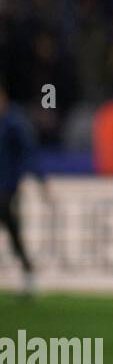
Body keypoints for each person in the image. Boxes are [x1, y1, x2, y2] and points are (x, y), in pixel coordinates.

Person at [0, 85, 53, 298]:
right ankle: (28, 273)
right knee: (13, 231)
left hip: (7, 188)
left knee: (12, 227)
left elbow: (29, 153)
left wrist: (40, 180)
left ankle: (29, 274)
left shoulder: (14, 123)